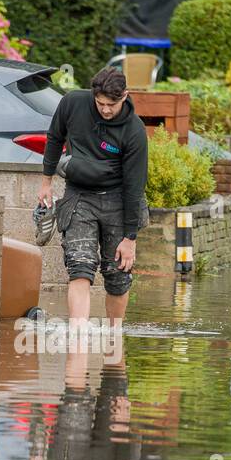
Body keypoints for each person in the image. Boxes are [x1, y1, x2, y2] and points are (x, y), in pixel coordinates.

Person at [37, 68, 149, 335]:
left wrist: (130, 238)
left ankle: (114, 337)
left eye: (112, 104)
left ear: (125, 96)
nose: (106, 110)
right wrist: (46, 182)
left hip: (119, 201)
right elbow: (54, 137)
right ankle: (78, 337)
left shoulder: (134, 131)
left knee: (117, 275)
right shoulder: (73, 102)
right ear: (93, 95)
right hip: (79, 197)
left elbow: (135, 188)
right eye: (100, 103)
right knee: (79, 266)